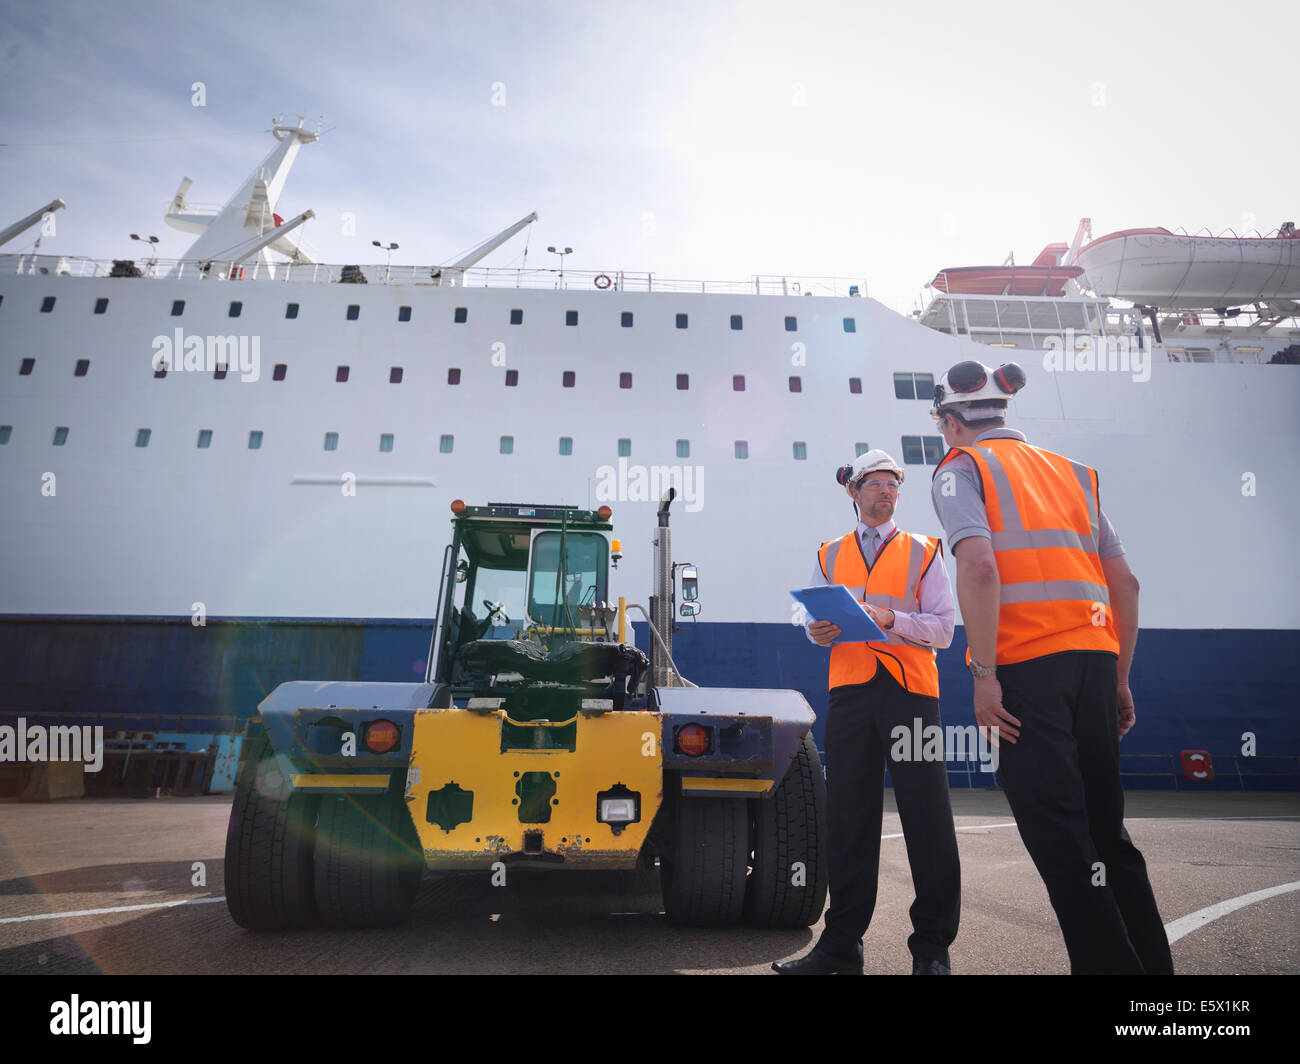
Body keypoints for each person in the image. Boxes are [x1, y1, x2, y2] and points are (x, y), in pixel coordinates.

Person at [927, 359, 1173, 975]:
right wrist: (1119, 677)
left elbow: (979, 569)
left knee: (1063, 842)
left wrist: (984, 675)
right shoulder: (1073, 475)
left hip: (1027, 673)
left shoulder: (962, 469)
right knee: (1107, 837)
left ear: (952, 422)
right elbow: (1127, 584)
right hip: (1095, 663)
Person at [773, 450, 960, 975]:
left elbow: (944, 629)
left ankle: (931, 952)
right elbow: (811, 618)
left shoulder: (925, 550)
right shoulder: (829, 553)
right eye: (875, 483)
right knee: (849, 822)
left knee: (928, 822)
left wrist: (890, 618)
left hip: (911, 696)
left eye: (893, 484)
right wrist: (816, 631)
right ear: (853, 492)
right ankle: (840, 947)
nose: (886, 491)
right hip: (851, 695)